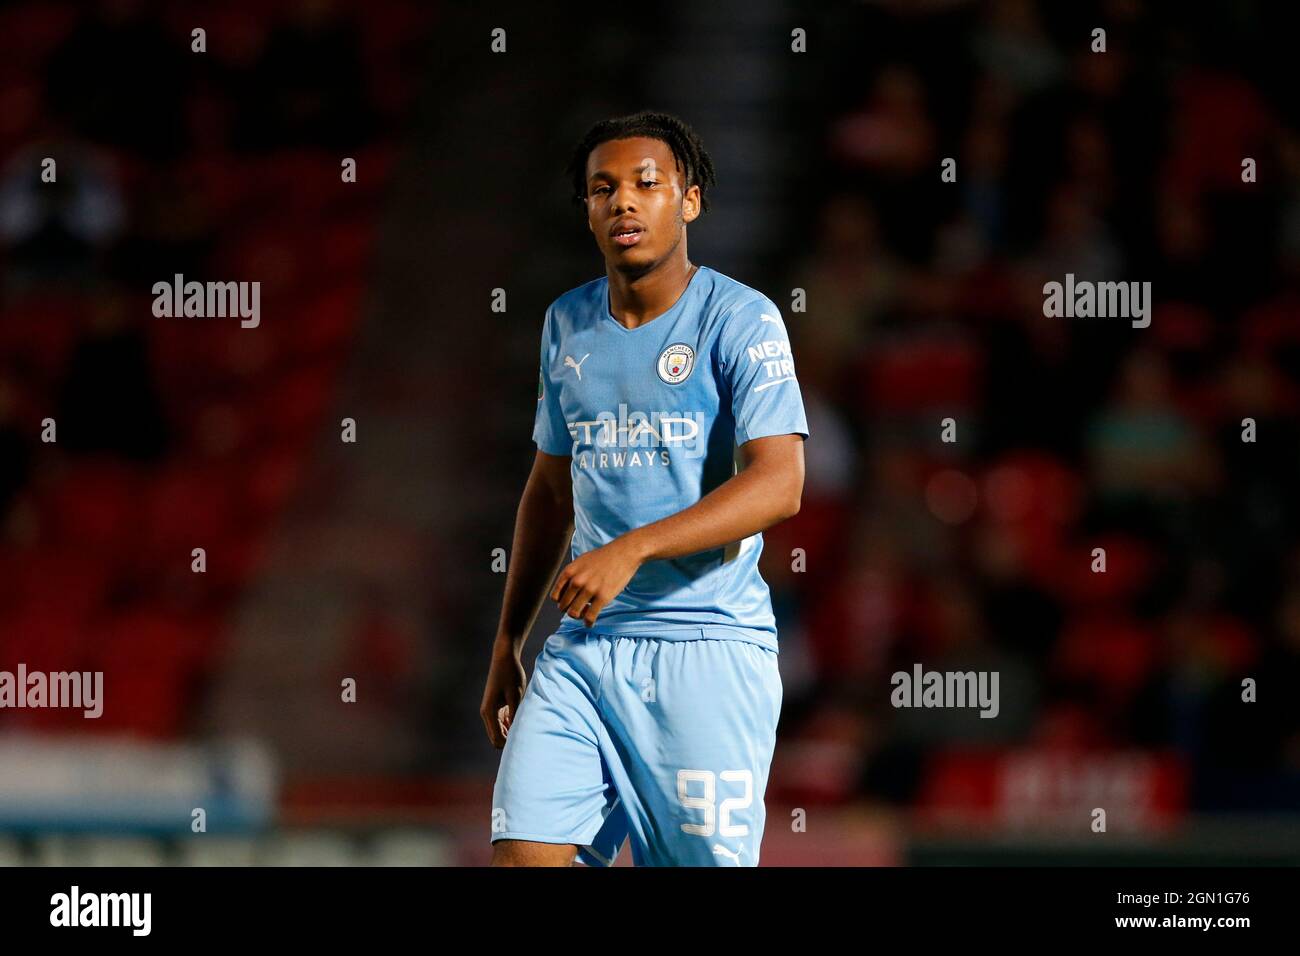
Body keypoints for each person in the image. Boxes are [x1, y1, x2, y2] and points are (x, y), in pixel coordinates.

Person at [480, 111, 808, 866]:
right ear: (589, 212)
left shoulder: (740, 318)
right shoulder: (566, 324)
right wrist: (507, 641)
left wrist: (635, 548)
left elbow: (780, 483)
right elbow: (550, 491)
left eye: (646, 184)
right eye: (603, 189)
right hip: (585, 653)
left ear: (688, 200)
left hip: (707, 649)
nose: (624, 201)